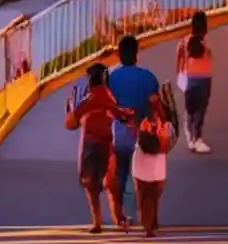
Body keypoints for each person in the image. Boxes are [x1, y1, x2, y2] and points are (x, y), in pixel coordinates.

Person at [65, 63, 134, 233]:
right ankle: (119, 217)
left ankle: (97, 222)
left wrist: (72, 112)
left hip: (90, 144)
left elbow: (70, 122)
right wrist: (129, 116)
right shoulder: (107, 95)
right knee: (111, 183)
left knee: (91, 185)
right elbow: (119, 114)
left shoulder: (88, 98)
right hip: (106, 143)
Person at [108, 35, 161, 226]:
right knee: (139, 174)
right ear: (136, 54)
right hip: (141, 132)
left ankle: (121, 214)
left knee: (120, 173)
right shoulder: (148, 77)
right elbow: (155, 106)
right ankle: (139, 215)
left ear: (119, 55)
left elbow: (108, 107)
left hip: (118, 132)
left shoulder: (112, 78)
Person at [133, 96, 173, 238]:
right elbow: (168, 142)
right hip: (156, 165)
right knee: (152, 195)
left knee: (145, 196)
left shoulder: (142, 123)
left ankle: (149, 224)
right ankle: (151, 223)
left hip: (144, 164)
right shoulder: (165, 125)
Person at [177, 10, 213, 153]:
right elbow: (209, 57)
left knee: (191, 108)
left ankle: (191, 134)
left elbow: (179, 54)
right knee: (200, 110)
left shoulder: (185, 41)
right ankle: (196, 138)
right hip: (204, 79)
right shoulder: (204, 43)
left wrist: (179, 70)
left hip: (190, 78)